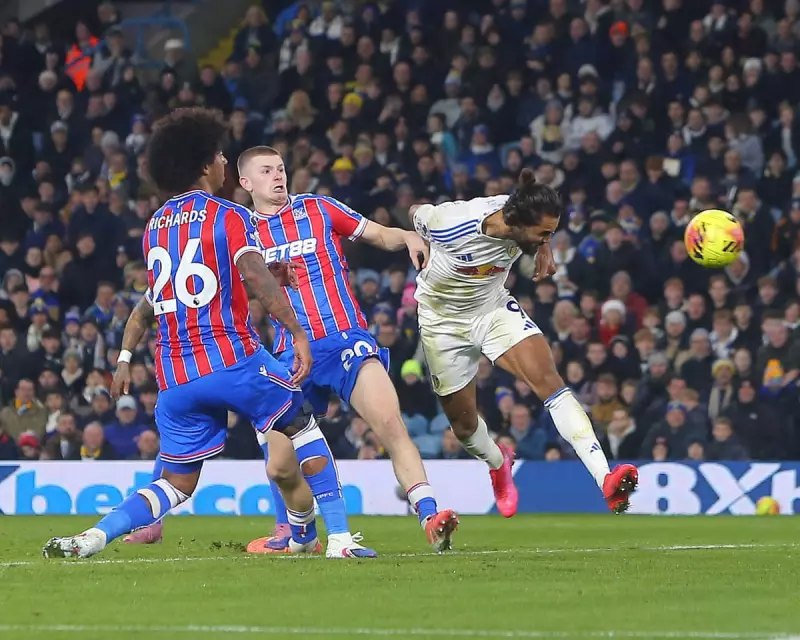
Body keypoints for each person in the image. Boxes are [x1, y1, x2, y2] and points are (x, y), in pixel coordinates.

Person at [43, 108, 318, 559]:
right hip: (233, 360)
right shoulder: (229, 215)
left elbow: (154, 301)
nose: (226, 162)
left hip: (177, 376)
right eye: (222, 156)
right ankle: (323, 534)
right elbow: (254, 278)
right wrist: (297, 331)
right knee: (303, 423)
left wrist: (125, 360)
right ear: (207, 164)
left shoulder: (155, 226)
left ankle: (92, 538)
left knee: (174, 483)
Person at [237, 145, 458, 553]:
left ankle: (430, 514)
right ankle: (301, 535)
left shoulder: (318, 209)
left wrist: (407, 235)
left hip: (345, 340)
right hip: (292, 355)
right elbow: (237, 297)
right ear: (246, 183)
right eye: (267, 171)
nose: (278, 176)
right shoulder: (241, 232)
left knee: (390, 423)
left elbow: (377, 233)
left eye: (282, 168)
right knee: (281, 467)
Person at [409, 168, 638, 515]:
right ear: (517, 223)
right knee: (465, 426)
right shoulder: (452, 223)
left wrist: (543, 247)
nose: (549, 240)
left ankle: (606, 478)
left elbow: (539, 235)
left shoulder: (525, 221)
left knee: (550, 381)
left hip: (491, 308)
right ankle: (498, 463)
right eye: (544, 234)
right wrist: (412, 237)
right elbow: (416, 212)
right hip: (442, 322)